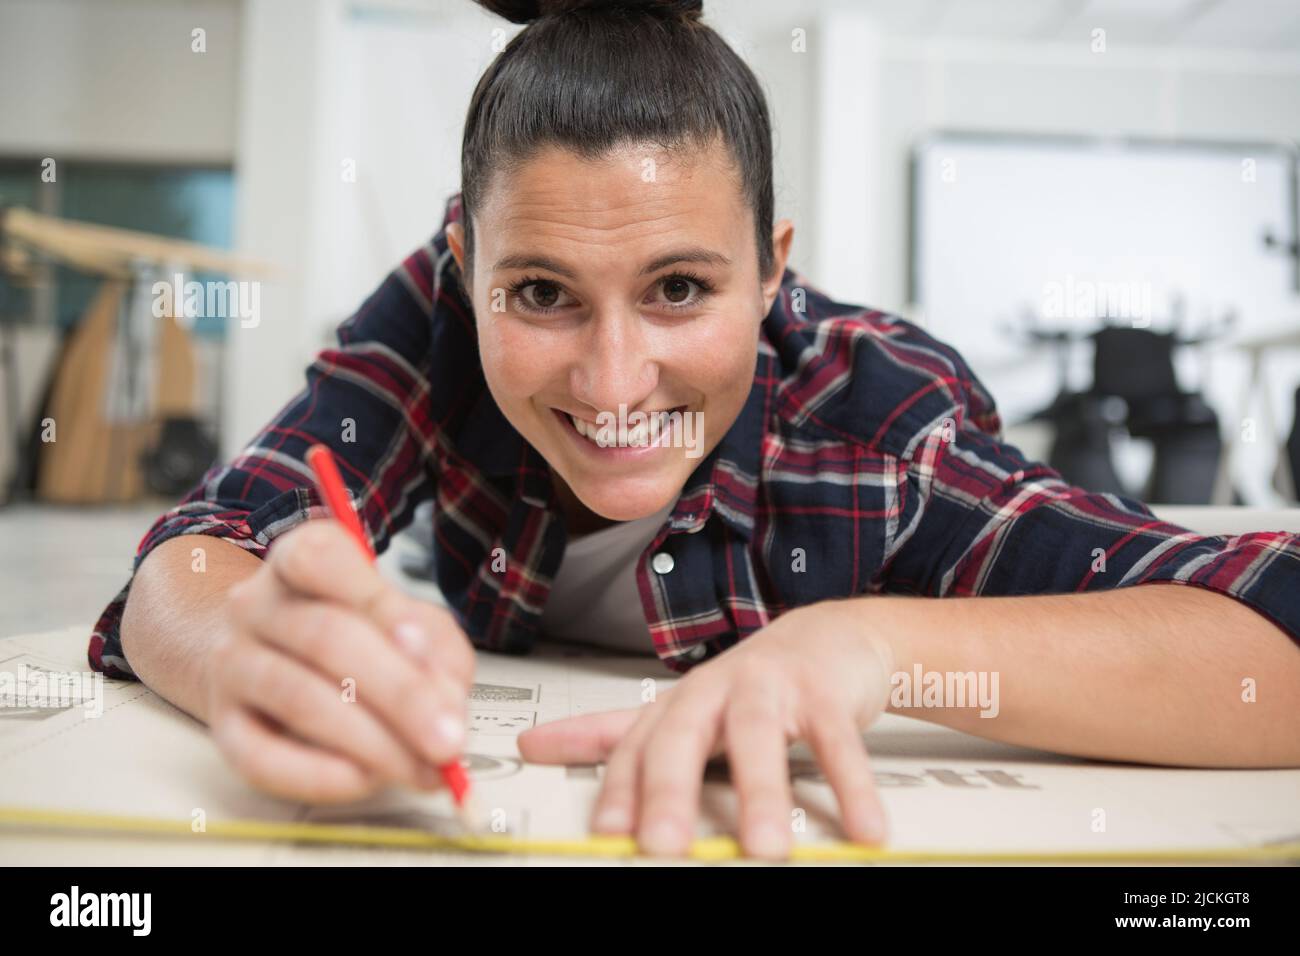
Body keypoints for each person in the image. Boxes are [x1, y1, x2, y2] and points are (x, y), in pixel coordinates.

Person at [92, 0, 1300, 861]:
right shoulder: (435, 314)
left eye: (680, 288)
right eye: (542, 293)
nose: (615, 378)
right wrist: (247, 634)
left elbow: (1269, 638)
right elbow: (199, 551)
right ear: (465, 270)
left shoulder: (877, 419)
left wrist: (872, 645)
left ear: (772, 272)